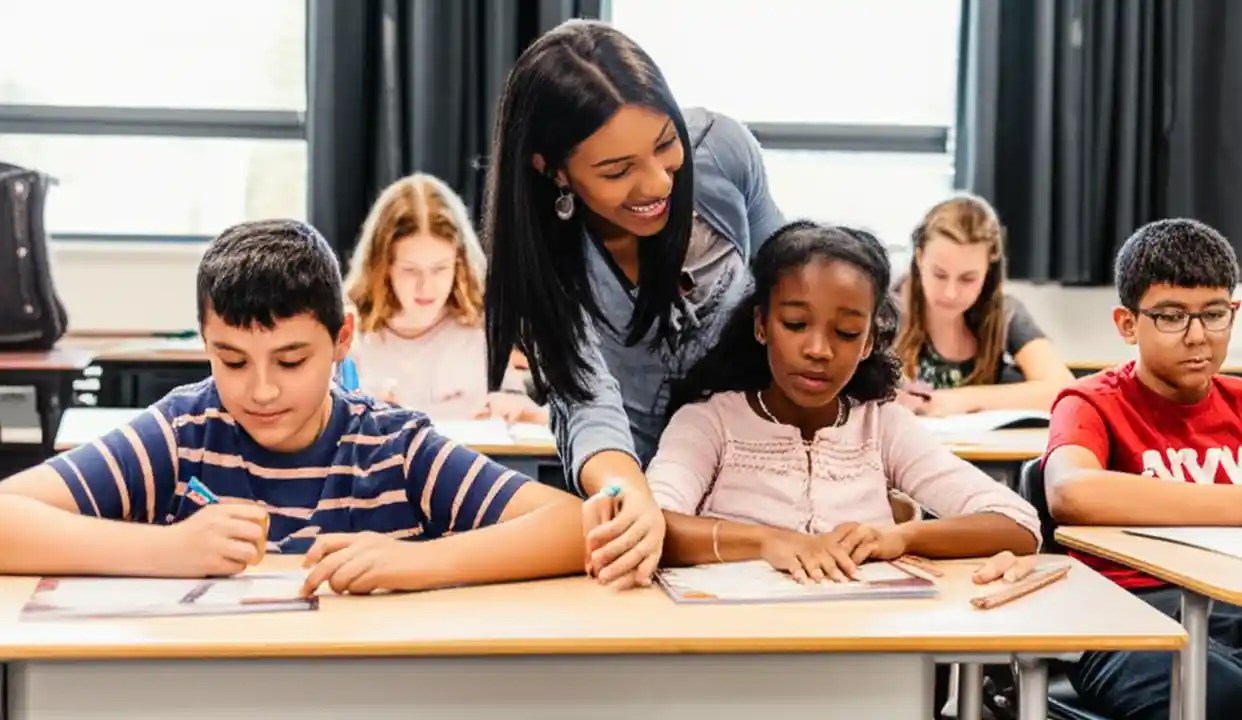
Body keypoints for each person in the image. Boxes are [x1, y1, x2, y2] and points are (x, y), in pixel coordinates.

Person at [0, 220, 593, 597]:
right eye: (231, 361)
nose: (260, 391)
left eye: (290, 362)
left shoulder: (392, 447)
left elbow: (573, 526)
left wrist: (417, 564)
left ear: (341, 340)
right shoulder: (185, 433)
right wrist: (168, 551)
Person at [483, 19, 787, 588]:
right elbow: (588, 407)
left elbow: (790, 278)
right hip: (650, 502)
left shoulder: (723, 153)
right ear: (551, 169)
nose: (656, 184)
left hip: (767, 473)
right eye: (617, 171)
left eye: (665, 144)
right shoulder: (544, 263)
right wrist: (634, 500)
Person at [644, 220, 1039, 583]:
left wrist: (901, 537)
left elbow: (1018, 523)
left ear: (868, 341)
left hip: (864, 645)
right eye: (796, 324)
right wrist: (767, 542)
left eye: (847, 333)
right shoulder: (709, 422)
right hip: (740, 644)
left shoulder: (883, 426)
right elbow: (651, 524)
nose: (819, 350)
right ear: (761, 324)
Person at [1044, 218, 1242, 719]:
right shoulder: (1091, 402)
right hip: (1126, 628)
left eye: (1214, 314)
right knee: (1228, 706)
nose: (1197, 337)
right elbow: (1072, 492)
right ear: (1128, 324)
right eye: (1172, 317)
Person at [343, 173, 545, 423]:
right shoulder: (352, 337)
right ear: (384, 268)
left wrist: (520, 409)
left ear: (459, 264)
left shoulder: (481, 329)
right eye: (410, 270)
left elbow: (519, 413)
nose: (426, 287)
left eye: (440, 269)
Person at [895, 194, 1073, 416]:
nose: (951, 293)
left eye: (967, 279)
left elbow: (1062, 388)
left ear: (989, 268)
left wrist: (962, 399)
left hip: (980, 448)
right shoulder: (883, 310)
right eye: (939, 275)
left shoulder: (1005, 313)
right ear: (920, 258)